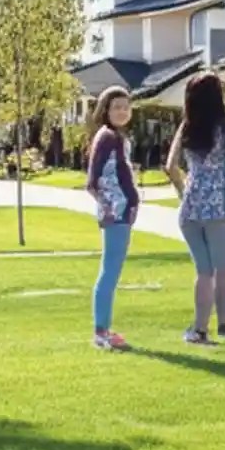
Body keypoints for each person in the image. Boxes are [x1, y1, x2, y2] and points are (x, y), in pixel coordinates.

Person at [164, 71, 225, 345]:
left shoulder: (186, 127)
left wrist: (186, 193)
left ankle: (199, 329)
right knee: (221, 271)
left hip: (191, 209)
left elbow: (171, 167)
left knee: (203, 272)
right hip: (220, 207)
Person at [85, 85, 139, 351]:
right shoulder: (107, 138)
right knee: (109, 273)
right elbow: (93, 181)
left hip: (121, 213)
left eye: (126, 106)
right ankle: (101, 332)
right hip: (115, 214)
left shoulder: (116, 138)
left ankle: (104, 328)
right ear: (105, 109)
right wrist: (110, 206)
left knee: (112, 272)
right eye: (116, 106)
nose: (122, 111)